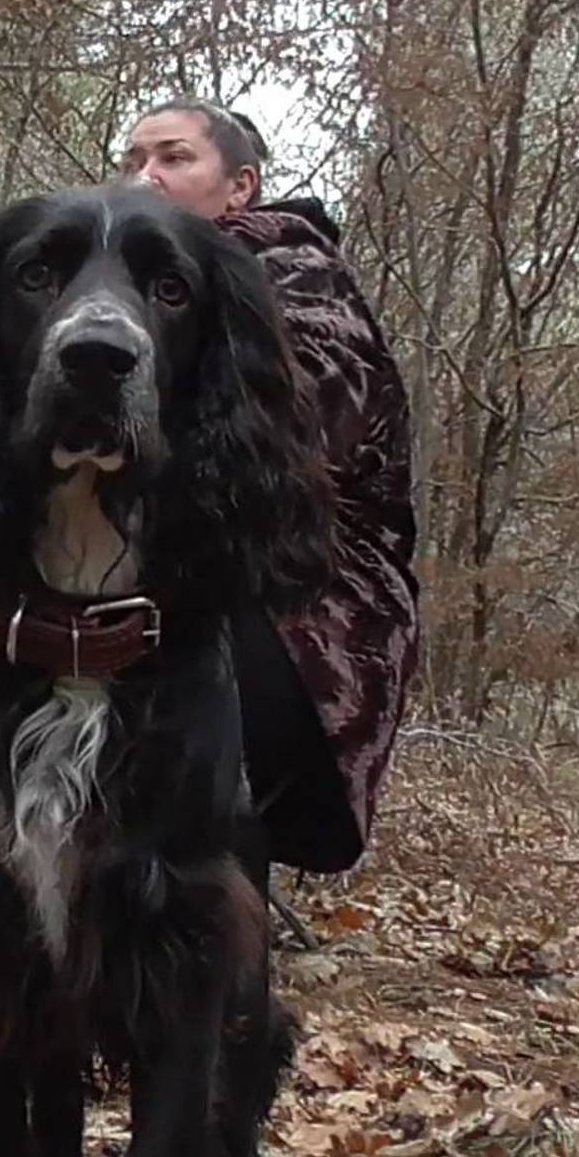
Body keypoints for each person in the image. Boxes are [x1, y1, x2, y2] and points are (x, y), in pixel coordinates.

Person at [117, 98, 424, 880]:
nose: (144, 177)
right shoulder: (109, 283)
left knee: (170, 649)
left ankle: (212, 940)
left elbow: (295, 433)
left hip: (307, 598)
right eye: (132, 161)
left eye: (174, 158)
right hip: (156, 568)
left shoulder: (295, 273)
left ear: (241, 187)